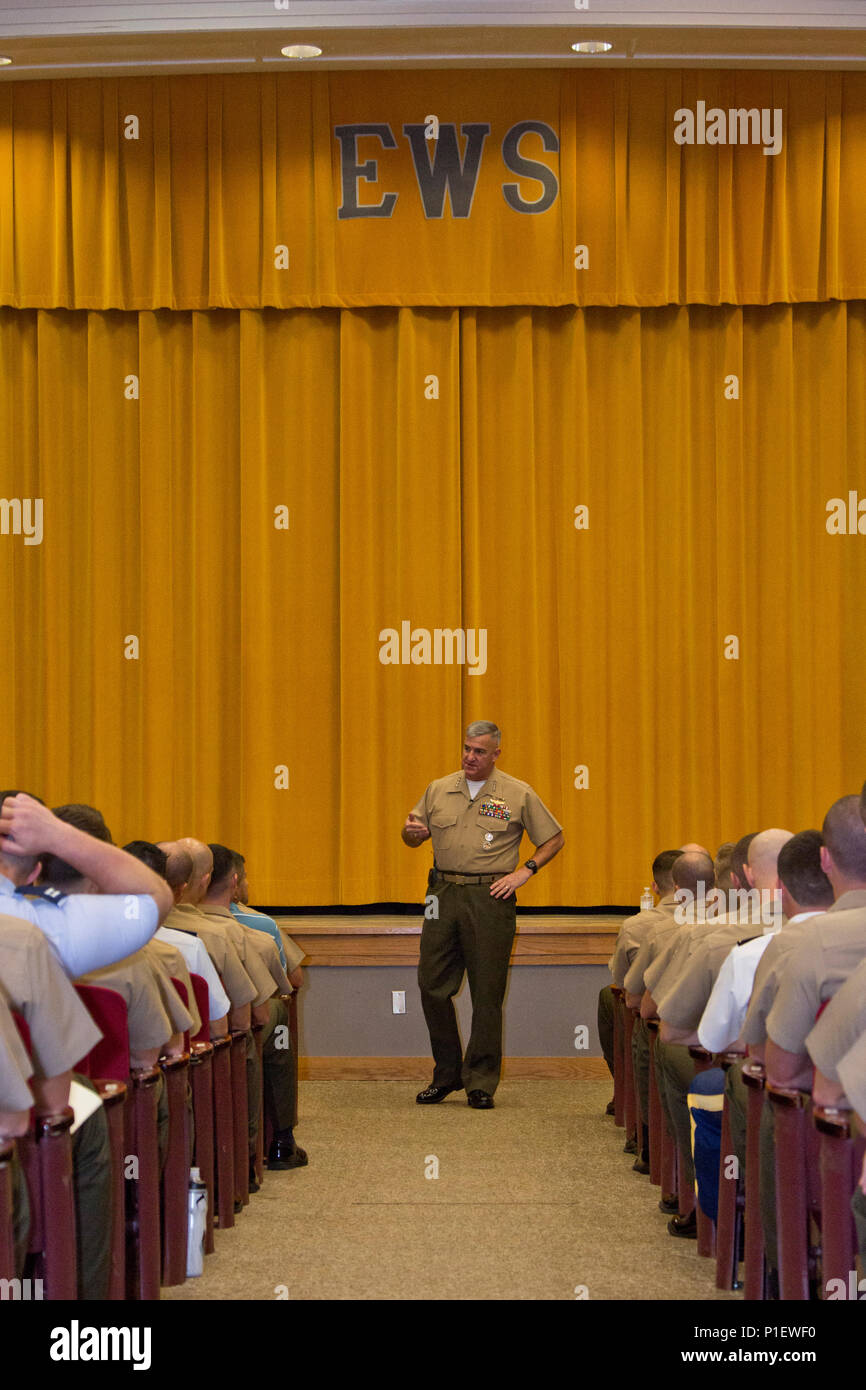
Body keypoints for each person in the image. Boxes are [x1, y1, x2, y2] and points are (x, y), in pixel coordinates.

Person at [402, 721, 563, 1109]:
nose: (470, 757)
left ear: (495, 754)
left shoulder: (517, 792)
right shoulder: (439, 788)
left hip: (490, 896)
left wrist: (525, 872)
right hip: (441, 893)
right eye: (467, 749)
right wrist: (412, 834)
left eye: (479, 751)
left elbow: (554, 837)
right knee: (431, 985)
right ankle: (446, 1074)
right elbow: (410, 833)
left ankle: (481, 1081)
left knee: (487, 993)